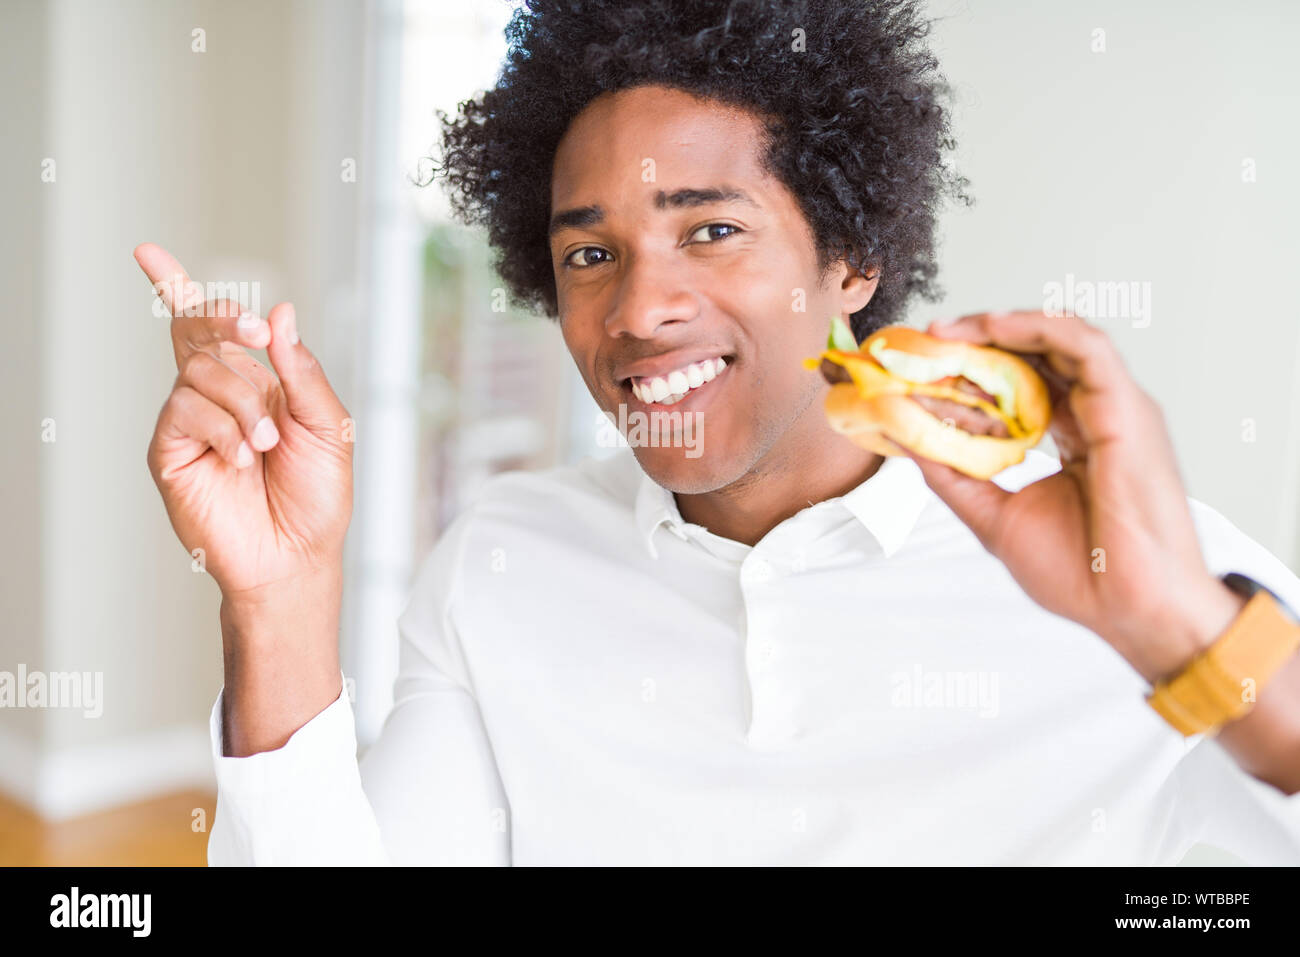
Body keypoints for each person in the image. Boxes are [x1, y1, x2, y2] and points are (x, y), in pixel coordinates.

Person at [136, 0, 1300, 865]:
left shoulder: (1162, 584)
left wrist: (1173, 625)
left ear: (851, 258)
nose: (639, 311)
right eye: (590, 254)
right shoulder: (502, 558)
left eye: (709, 231)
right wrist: (279, 602)